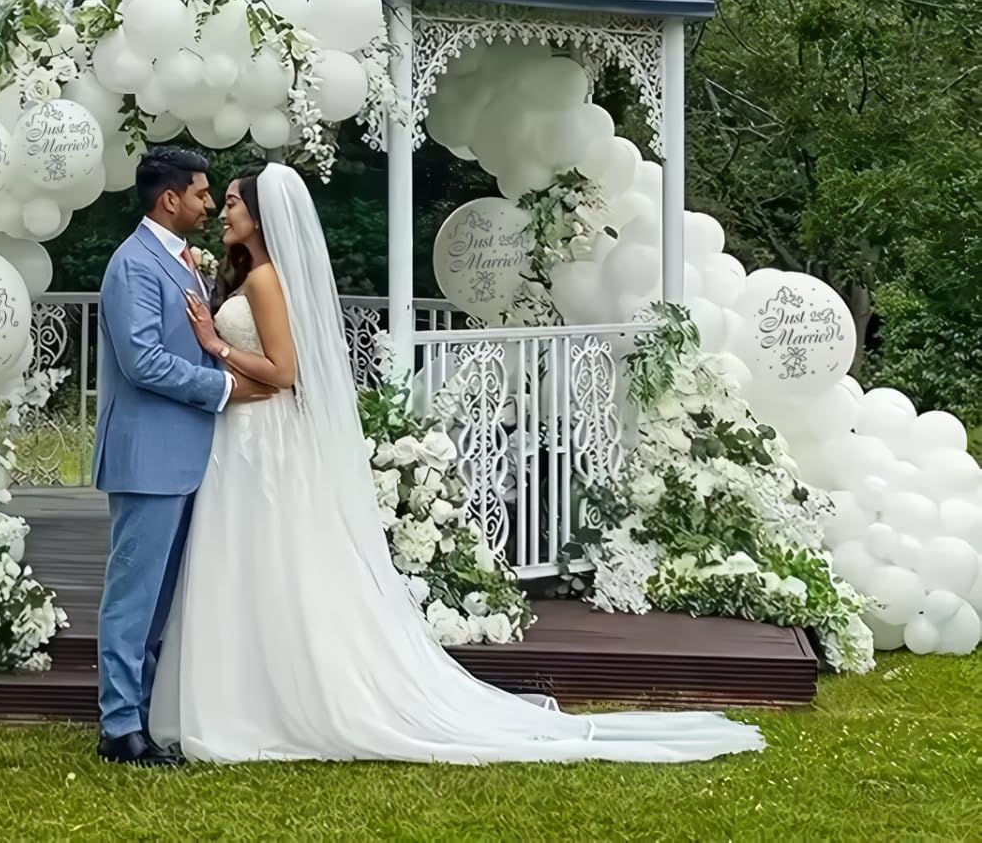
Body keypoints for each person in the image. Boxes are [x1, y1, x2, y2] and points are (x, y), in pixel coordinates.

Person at [147, 162, 766, 766]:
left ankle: (261, 705)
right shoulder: (254, 274)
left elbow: (284, 372)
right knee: (256, 564)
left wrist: (213, 345)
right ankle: (254, 696)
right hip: (249, 433)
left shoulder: (264, 281)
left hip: (264, 439)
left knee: (261, 561)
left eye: (231, 201)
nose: (222, 211)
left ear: (259, 216)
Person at [92, 147, 274, 767]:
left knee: (161, 596)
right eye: (201, 193)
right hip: (148, 452)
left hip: (189, 453)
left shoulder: (184, 264)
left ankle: (139, 714)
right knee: (133, 594)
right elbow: (142, 362)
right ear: (170, 199)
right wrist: (223, 387)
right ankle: (119, 728)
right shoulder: (134, 266)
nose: (207, 203)